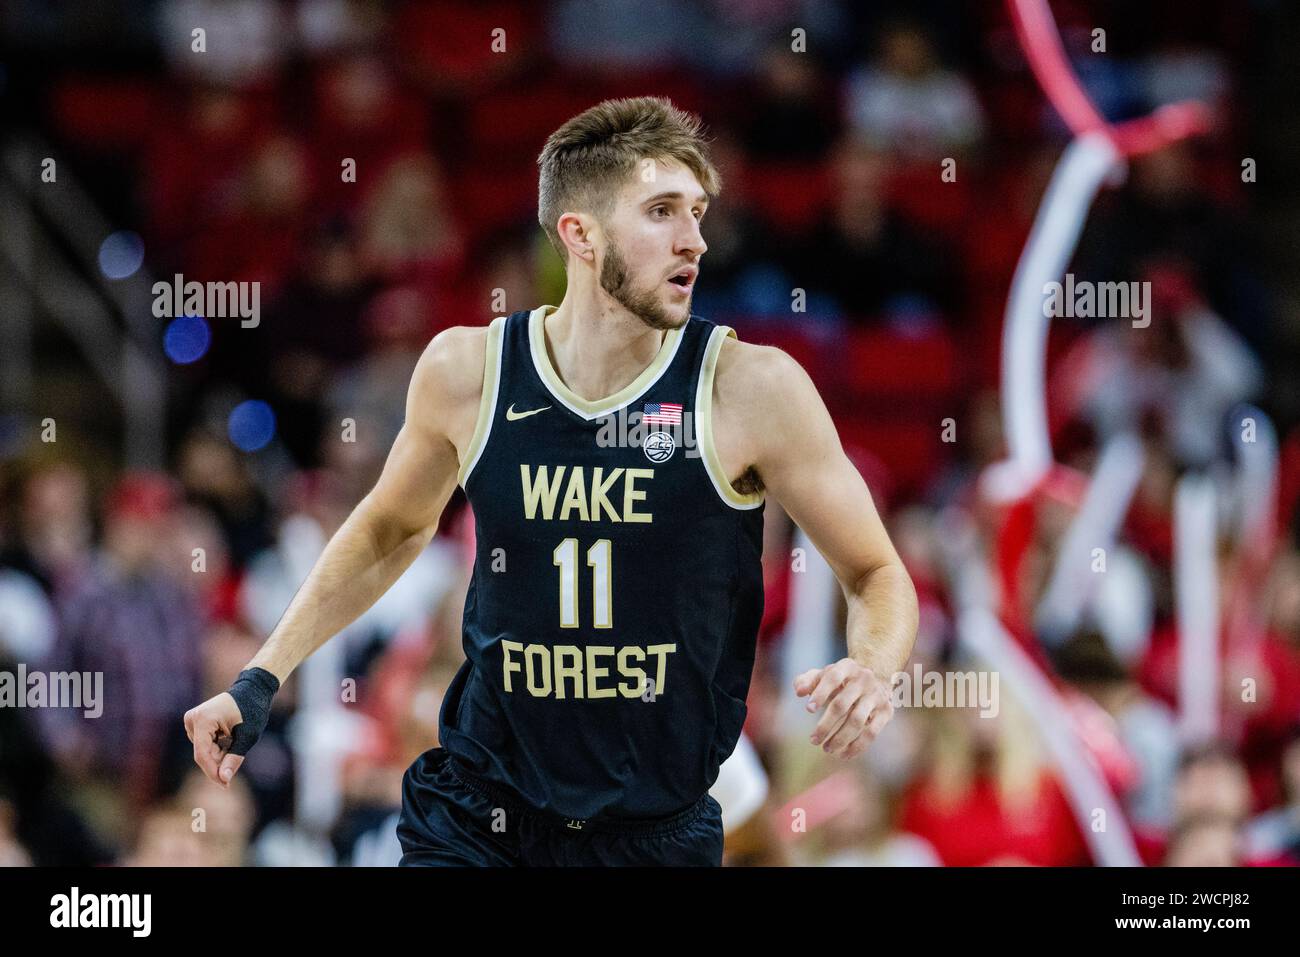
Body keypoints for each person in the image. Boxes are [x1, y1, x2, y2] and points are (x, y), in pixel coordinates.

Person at [184, 96, 918, 866]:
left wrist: (873, 668)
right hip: (480, 812)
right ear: (580, 235)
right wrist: (262, 675)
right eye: (662, 211)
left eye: (698, 212)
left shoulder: (751, 388)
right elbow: (389, 529)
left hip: (653, 826)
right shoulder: (468, 371)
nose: (694, 240)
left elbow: (876, 571)